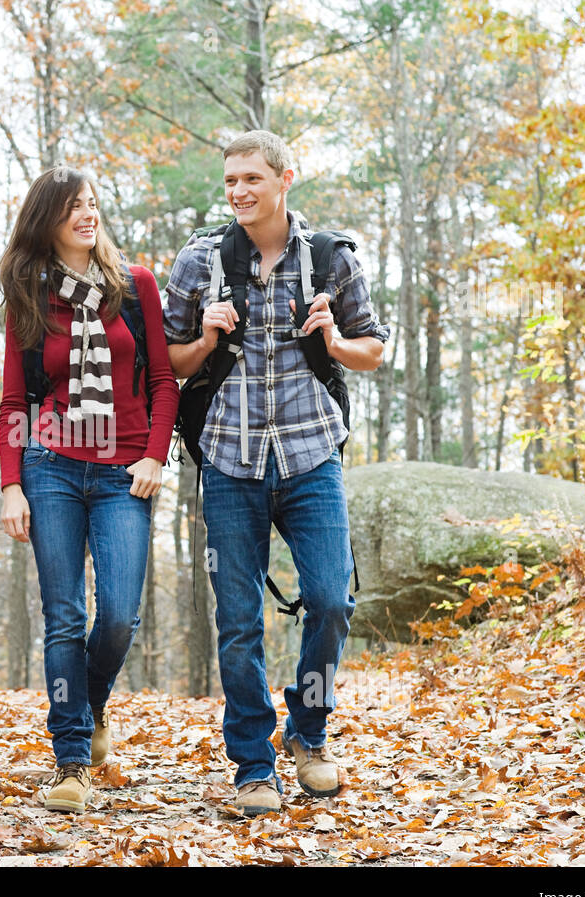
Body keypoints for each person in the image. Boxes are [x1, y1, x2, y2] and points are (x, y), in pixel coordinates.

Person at [163, 131, 389, 815]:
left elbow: (372, 350)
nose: (238, 192)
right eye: (230, 180)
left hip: (310, 455)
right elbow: (169, 364)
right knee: (238, 622)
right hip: (229, 463)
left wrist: (332, 339)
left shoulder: (330, 260)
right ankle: (254, 764)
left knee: (329, 601)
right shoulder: (198, 262)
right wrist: (205, 336)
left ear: (285, 179)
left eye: (252, 180)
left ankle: (310, 732)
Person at [0, 167, 178, 813]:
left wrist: (155, 456)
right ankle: (70, 759)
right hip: (50, 465)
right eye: (73, 207)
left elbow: (164, 381)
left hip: (123, 470)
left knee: (120, 616)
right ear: (48, 219)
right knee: (64, 615)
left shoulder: (136, 287)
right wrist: (12, 484)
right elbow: (15, 399)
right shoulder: (29, 295)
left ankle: (91, 700)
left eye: (93, 204)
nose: (87, 214)